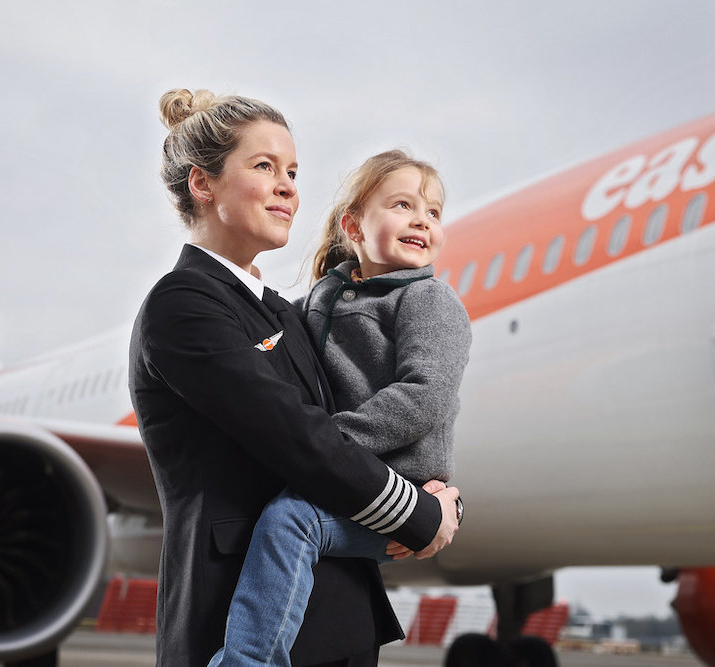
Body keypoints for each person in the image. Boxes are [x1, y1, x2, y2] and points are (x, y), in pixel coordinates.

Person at [128, 89, 462, 667]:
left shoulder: (286, 311)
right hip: (232, 615)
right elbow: (295, 433)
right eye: (264, 167)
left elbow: (376, 411)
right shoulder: (184, 303)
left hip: (340, 616)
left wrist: (442, 496)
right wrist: (417, 515)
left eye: (293, 171)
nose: (288, 186)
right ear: (201, 184)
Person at [209, 150, 472, 666]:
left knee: (291, 520)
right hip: (342, 478)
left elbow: (425, 396)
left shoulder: (429, 301)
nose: (422, 219)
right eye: (403, 204)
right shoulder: (315, 303)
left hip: (399, 485)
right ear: (353, 224)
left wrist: (328, 443)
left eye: (434, 212)